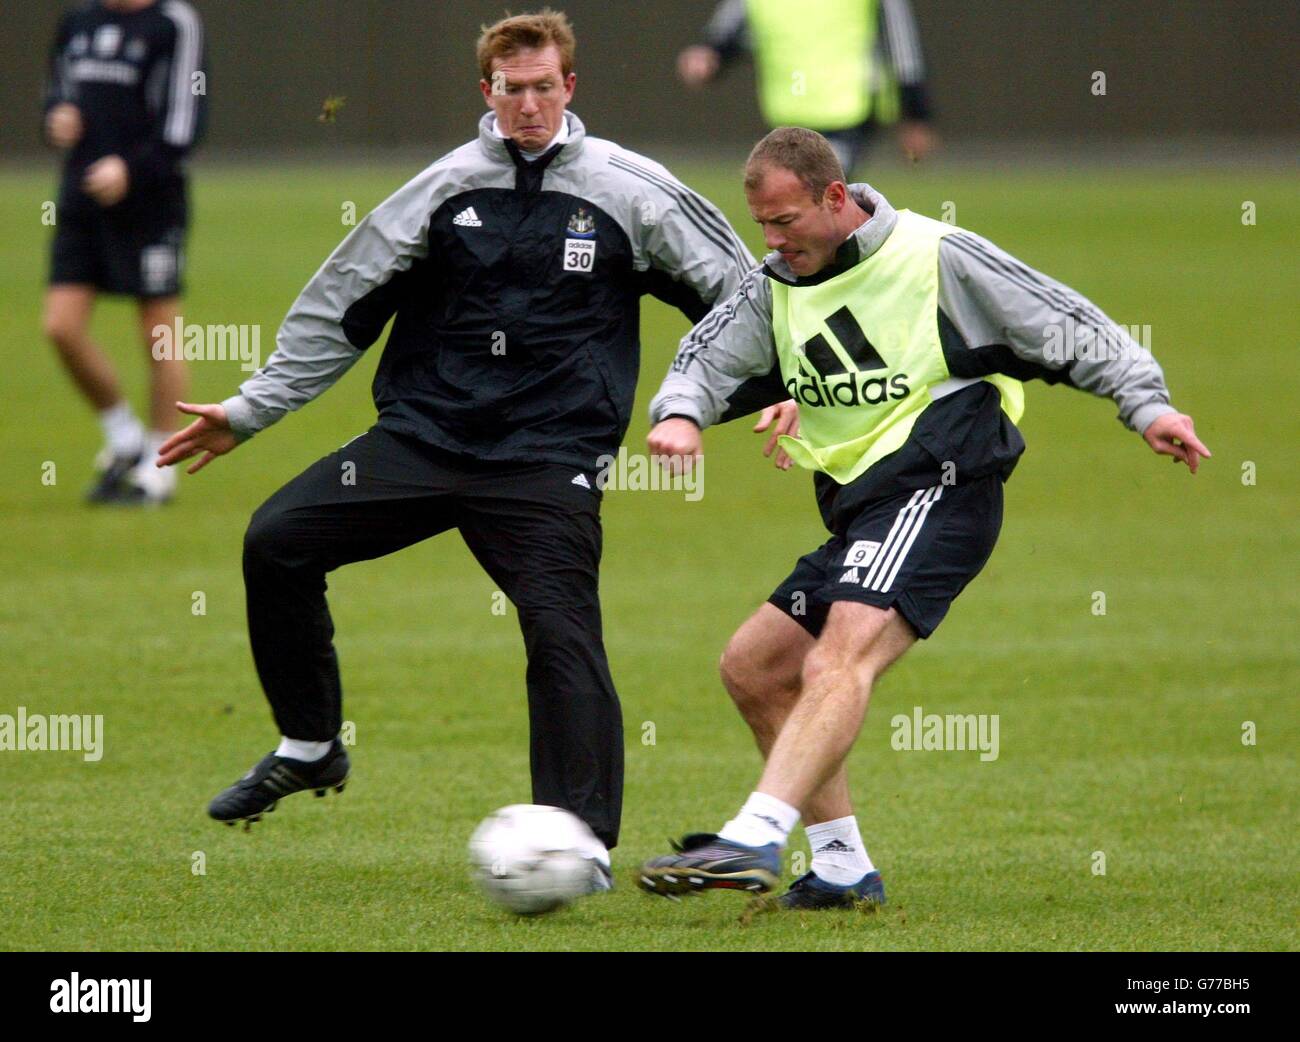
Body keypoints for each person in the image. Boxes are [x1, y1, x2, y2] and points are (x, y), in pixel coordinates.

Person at [156, 10, 770, 891]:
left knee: (560, 629)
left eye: (545, 87)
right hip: (422, 439)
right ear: (487, 92)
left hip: (546, 459)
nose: (529, 105)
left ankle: (581, 842)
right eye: (513, 90)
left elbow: (745, 297)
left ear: (571, 86)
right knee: (276, 540)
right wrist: (251, 411)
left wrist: (770, 388)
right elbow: (342, 304)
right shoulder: (442, 189)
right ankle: (311, 744)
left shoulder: (634, 191)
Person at [638, 127, 1210, 909]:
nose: (771, 242)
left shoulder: (938, 255)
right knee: (754, 666)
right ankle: (841, 869)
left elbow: (1064, 320)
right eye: (761, 225)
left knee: (837, 657)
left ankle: (755, 833)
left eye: (786, 221)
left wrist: (1146, 405)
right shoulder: (775, 281)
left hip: (943, 484)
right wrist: (680, 415)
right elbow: (707, 354)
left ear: (836, 198)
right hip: (864, 506)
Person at [43, 0, 206, 505]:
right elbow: (58, 90)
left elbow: (185, 122)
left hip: (150, 202)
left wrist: (131, 170)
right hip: (81, 195)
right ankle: (123, 437)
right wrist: (58, 116)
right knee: (61, 327)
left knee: (159, 335)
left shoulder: (174, 23)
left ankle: (159, 465)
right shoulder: (78, 20)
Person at [677, 0, 937, 174]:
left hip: (847, 107)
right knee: (793, 206)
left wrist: (915, 113)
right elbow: (734, 29)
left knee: (819, 200)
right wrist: (710, 53)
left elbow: (900, 39)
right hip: (787, 110)